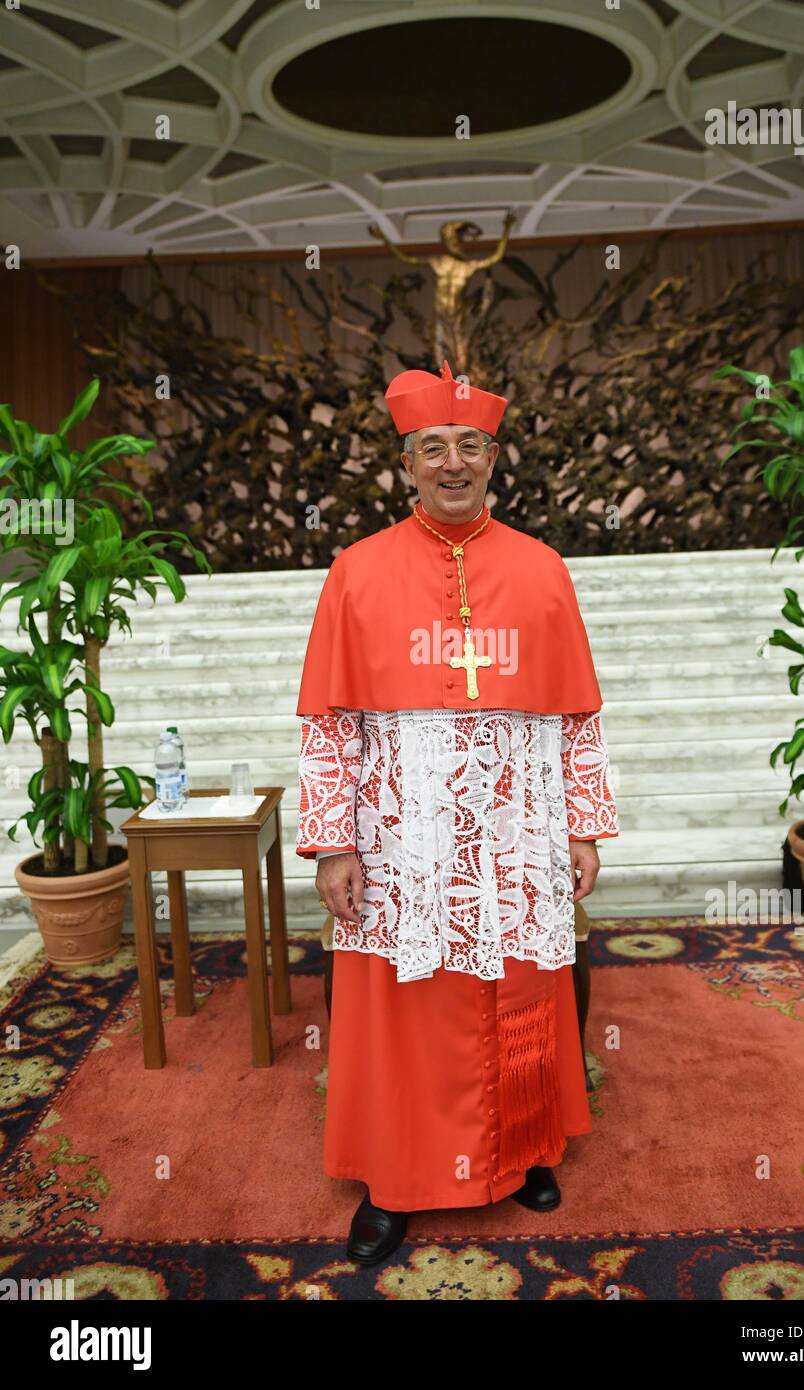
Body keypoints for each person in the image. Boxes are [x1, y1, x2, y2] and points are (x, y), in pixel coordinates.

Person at [295, 358, 618, 1265]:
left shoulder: (542, 570)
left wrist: (584, 823)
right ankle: (396, 1181)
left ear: (492, 458)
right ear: (404, 467)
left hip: (516, 836)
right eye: (431, 448)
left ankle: (525, 1156)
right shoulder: (356, 573)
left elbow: (575, 718)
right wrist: (332, 844)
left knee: (520, 988)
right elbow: (332, 723)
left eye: (468, 446)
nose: (451, 463)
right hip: (402, 838)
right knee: (406, 1004)